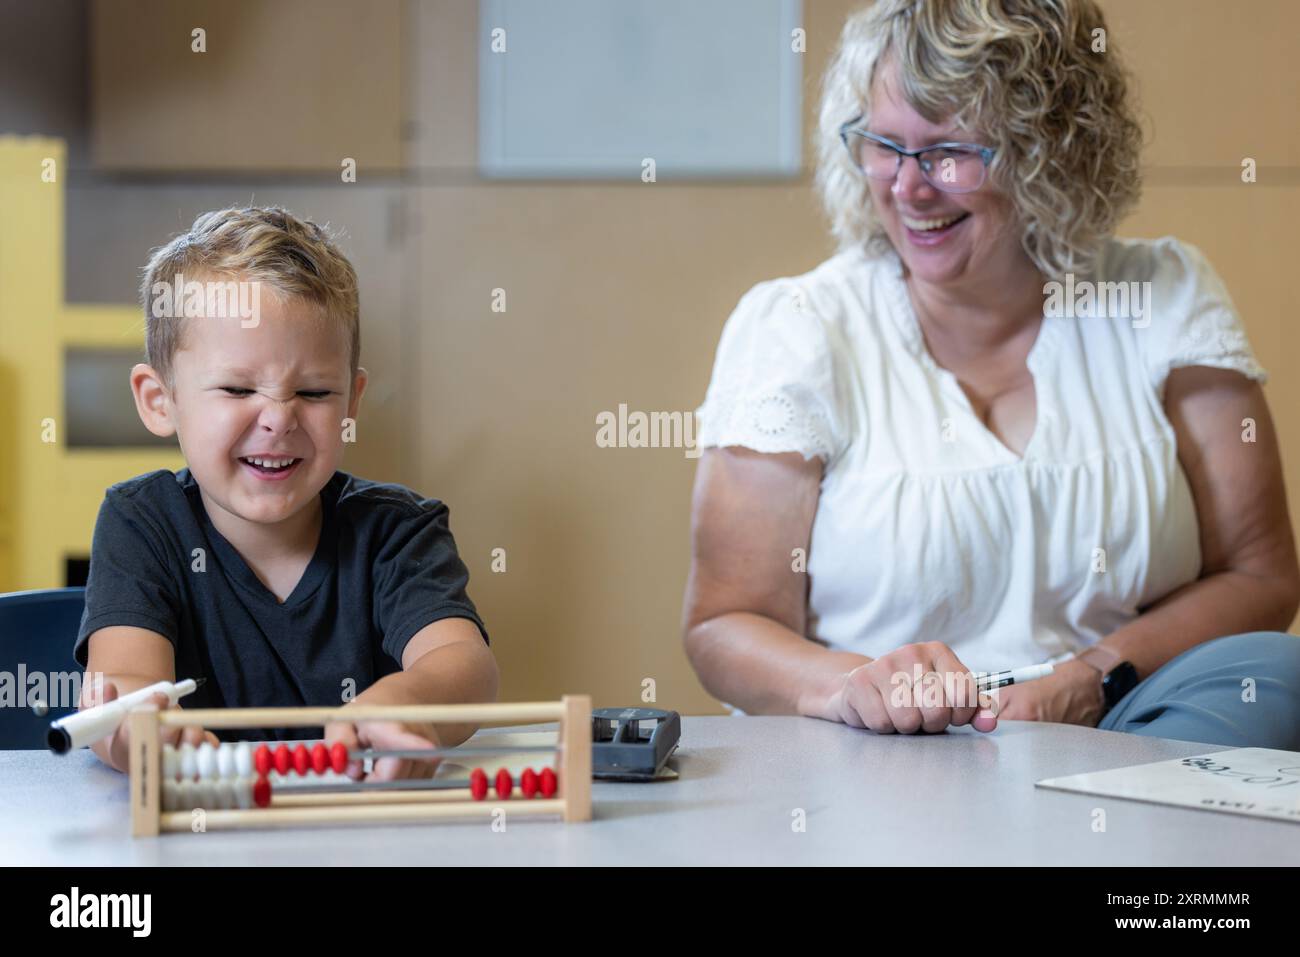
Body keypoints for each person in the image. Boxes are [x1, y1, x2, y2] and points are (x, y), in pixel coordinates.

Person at [684, 0, 1300, 747]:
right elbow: (724, 622)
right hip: (880, 742)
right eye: (885, 144)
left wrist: (1092, 674)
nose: (909, 188)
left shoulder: (1161, 296)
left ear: (1049, 152)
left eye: (950, 151)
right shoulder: (799, 328)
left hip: (1121, 717)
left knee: (1277, 675)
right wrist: (853, 686)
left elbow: (1262, 575)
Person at [76, 206, 497, 780]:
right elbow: (125, 682)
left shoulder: (398, 530)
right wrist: (137, 733)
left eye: (316, 391)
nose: (279, 418)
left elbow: (463, 663)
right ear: (159, 400)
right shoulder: (142, 523)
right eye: (237, 387)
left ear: (352, 399)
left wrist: (409, 707)